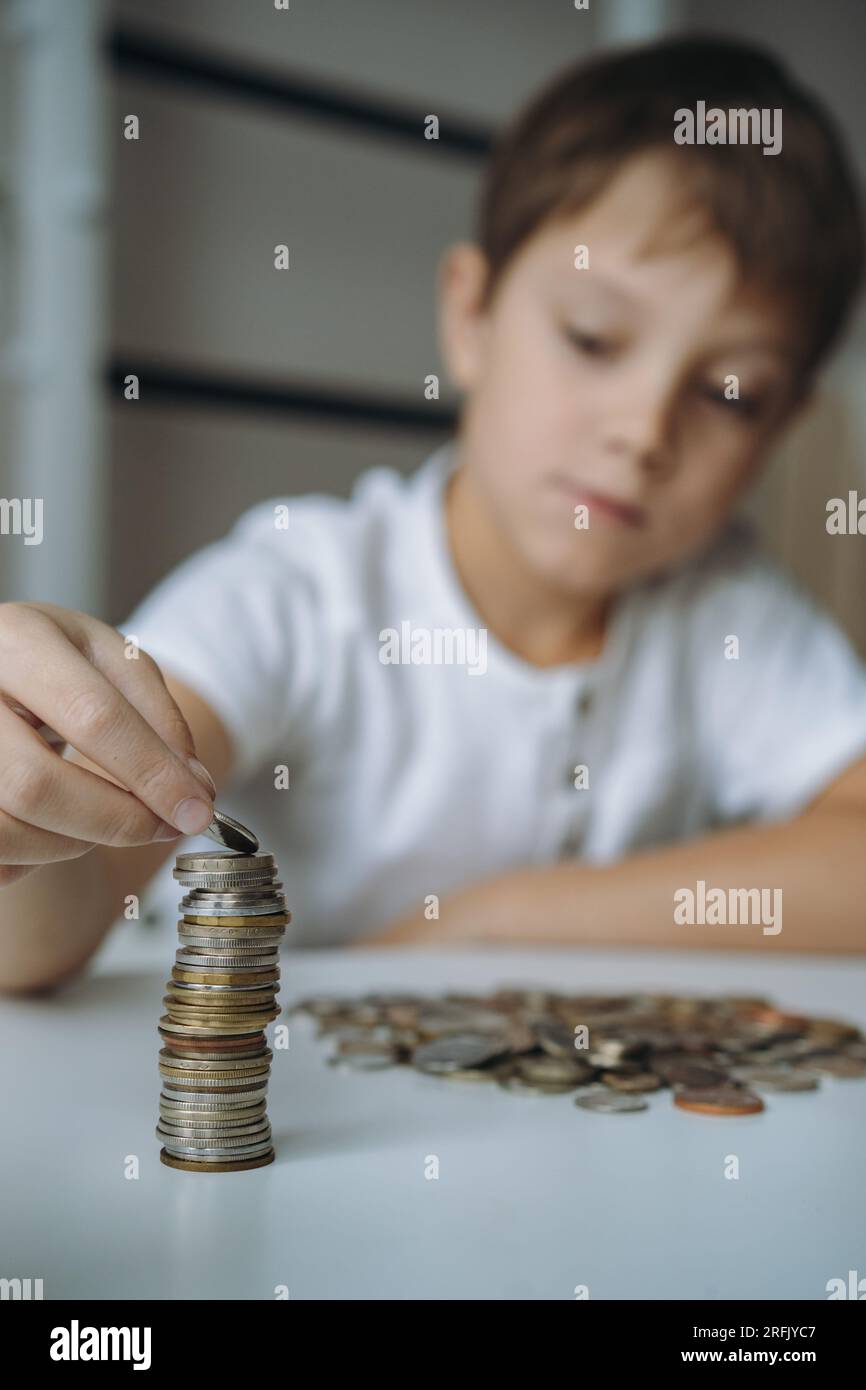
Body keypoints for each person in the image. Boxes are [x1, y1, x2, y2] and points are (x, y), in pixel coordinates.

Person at [2, 35, 866, 991]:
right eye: (592, 337)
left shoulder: (733, 614)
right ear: (471, 316)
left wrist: (499, 921)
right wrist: (23, 821)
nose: (645, 429)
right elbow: (35, 939)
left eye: (734, 394)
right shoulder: (302, 592)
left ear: (782, 428)